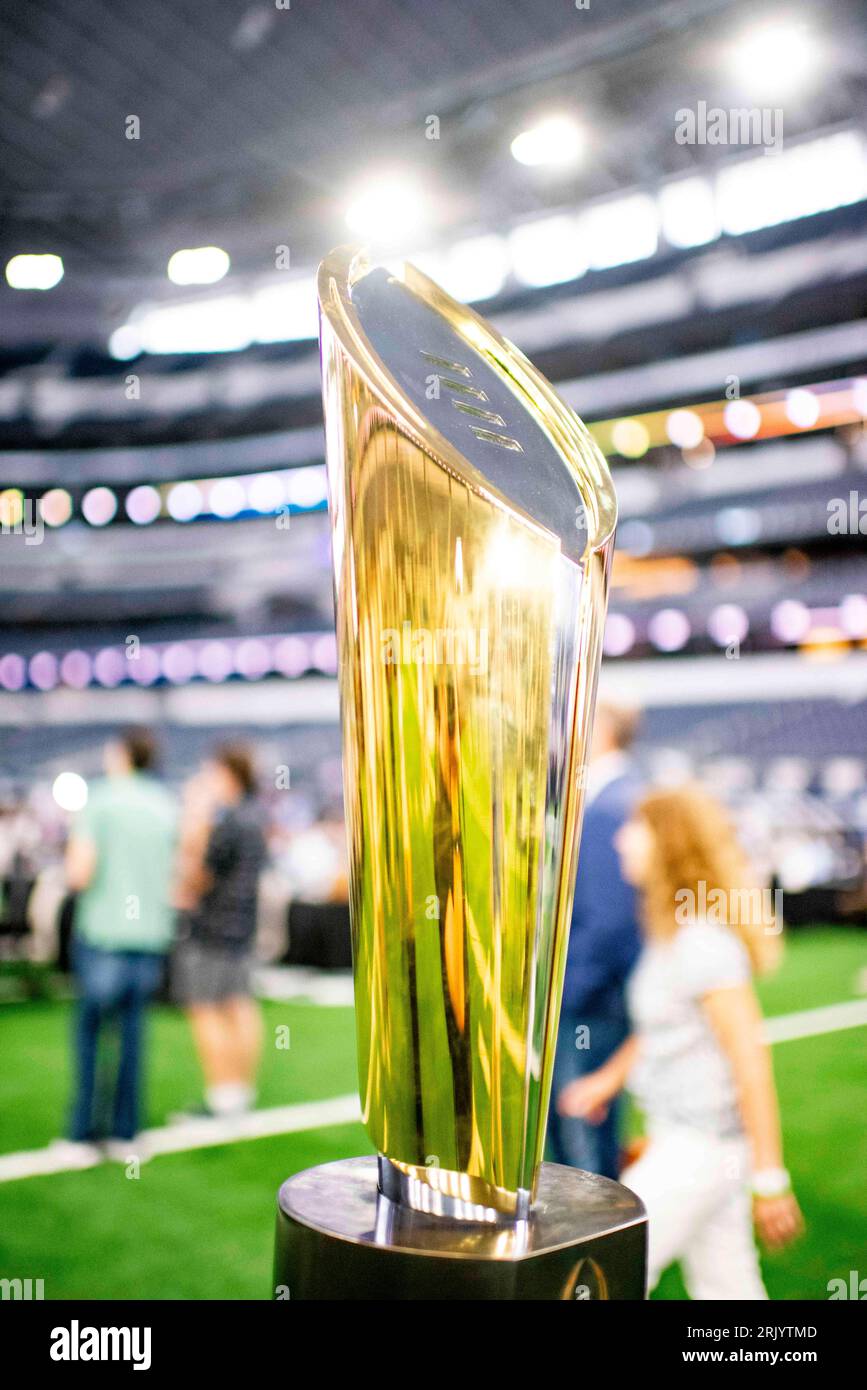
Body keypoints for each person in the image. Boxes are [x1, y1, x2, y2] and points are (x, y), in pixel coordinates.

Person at [558, 785, 803, 1299]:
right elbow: (659, 1029)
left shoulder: (702, 942)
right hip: (688, 1141)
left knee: (605, 1273)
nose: (621, 842)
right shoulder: (671, 932)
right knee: (727, 1288)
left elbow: (750, 1062)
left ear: (666, 842)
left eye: (635, 830)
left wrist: (771, 1178)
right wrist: (607, 1081)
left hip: (705, 1149)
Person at [64, 728, 177, 1156]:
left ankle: (82, 1132)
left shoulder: (102, 799)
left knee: (92, 1035)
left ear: (123, 755)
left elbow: (79, 872)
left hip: (105, 934)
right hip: (149, 936)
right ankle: (126, 1132)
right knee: (132, 1035)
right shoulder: (166, 804)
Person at [548, 700, 643, 1179]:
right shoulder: (612, 795)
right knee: (574, 1136)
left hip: (589, 1003)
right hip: (597, 996)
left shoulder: (608, 804)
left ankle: (596, 1249)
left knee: (581, 1140)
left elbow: (608, 922)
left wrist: (562, 996)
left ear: (602, 730)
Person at [173, 743, 267, 1117]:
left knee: (206, 1010)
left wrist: (194, 818)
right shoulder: (254, 817)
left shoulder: (225, 821)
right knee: (239, 1005)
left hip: (211, 929)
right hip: (241, 929)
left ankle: (221, 1097)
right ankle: (239, 1093)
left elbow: (195, 877)